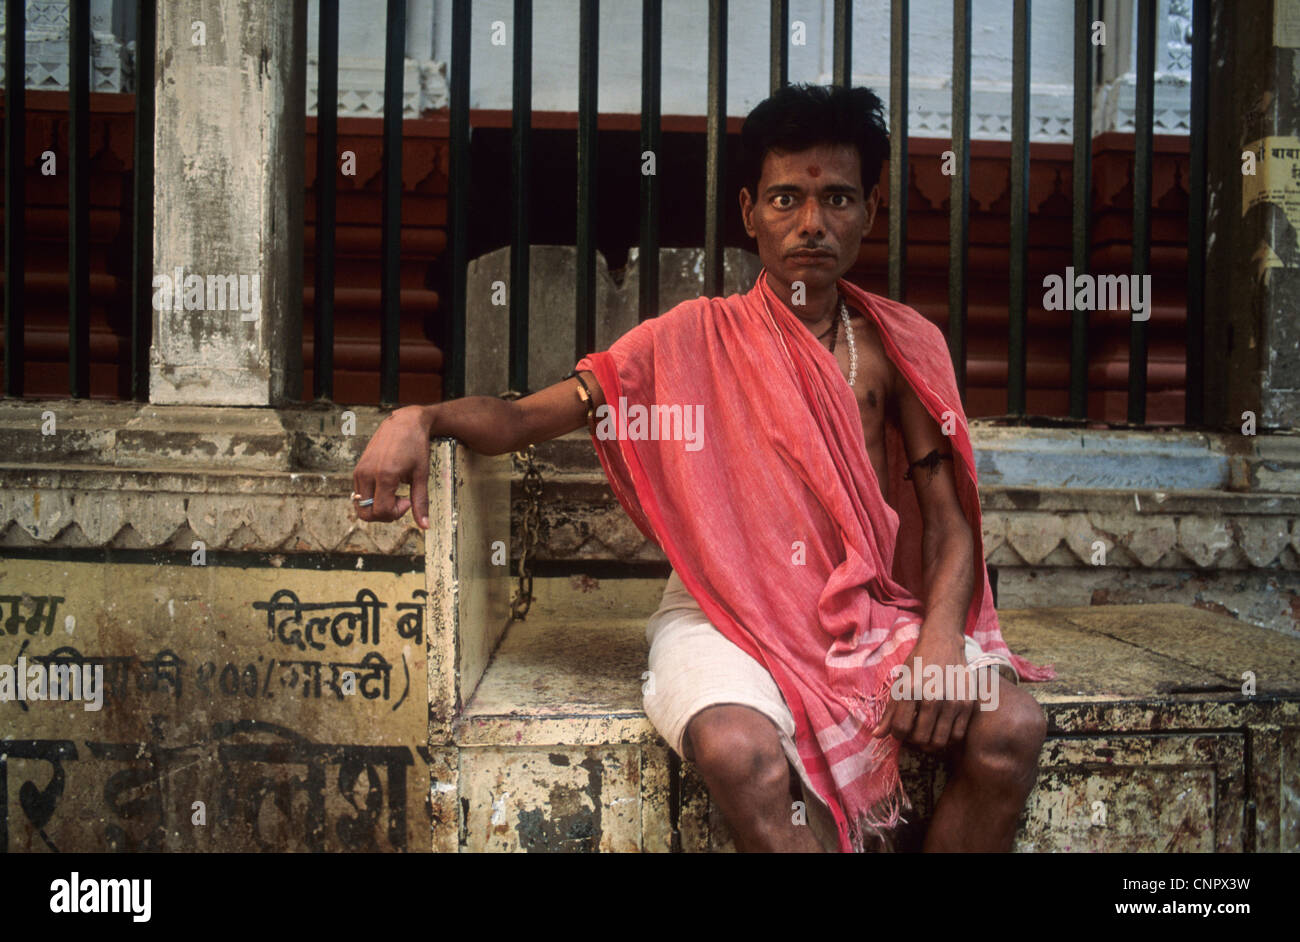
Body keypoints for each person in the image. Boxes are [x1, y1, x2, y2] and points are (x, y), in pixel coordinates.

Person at [351, 83, 1053, 853]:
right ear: (750, 211)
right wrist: (419, 416)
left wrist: (941, 641)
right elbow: (522, 419)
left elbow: (949, 522)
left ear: (871, 212)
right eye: (787, 199)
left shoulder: (897, 346)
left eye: (838, 199)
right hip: (720, 614)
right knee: (735, 749)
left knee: (1011, 726)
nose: (812, 223)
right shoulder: (687, 339)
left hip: (858, 611)